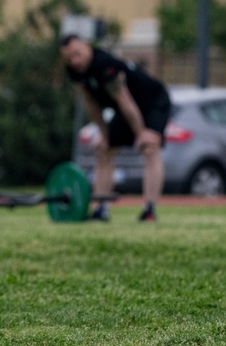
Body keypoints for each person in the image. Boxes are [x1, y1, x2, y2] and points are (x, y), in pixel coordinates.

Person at [59, 34, 171, 222]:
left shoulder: (104, 64)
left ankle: (150, 210)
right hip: (125, 108)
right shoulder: (75, 71)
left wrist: (140, 133)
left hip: (152, 101)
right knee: (103, 149)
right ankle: (101, 209)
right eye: (69, 57)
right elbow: (91, 104)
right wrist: (104, 134)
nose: (75, 61)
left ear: (87, 47)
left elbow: (125, 100)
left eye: (77, 54)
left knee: (149, 148)